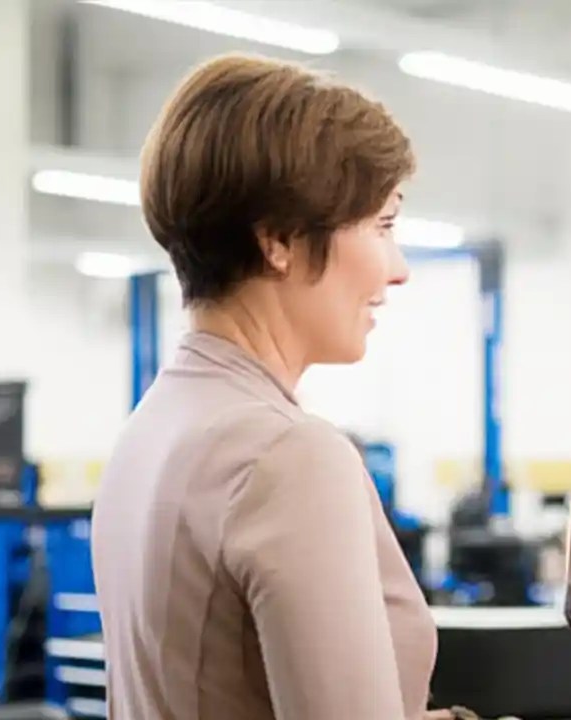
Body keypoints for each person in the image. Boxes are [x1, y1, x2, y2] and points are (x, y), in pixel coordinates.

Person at [89, 53, 454, 719]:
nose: (397, 269)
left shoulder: (152, 430)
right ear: (280, 239)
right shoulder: (288, 456)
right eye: (384, 226)